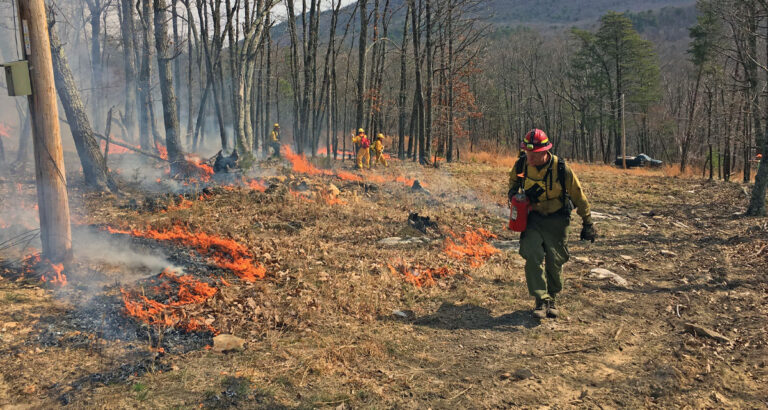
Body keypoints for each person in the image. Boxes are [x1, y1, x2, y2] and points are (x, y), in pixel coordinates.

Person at [508, 128, 596, 319]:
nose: (530, 157)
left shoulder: (561, 169)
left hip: (557, 220)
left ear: (545, 152)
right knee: (533, 255)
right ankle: (541, 299)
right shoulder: (522, 165)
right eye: (527, 153)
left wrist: (587, 222)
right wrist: (513, 195)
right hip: (533, 218)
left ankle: (552, 298)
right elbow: (514, 182)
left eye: (534, 154)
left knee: (555, 260)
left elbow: (579, 196)